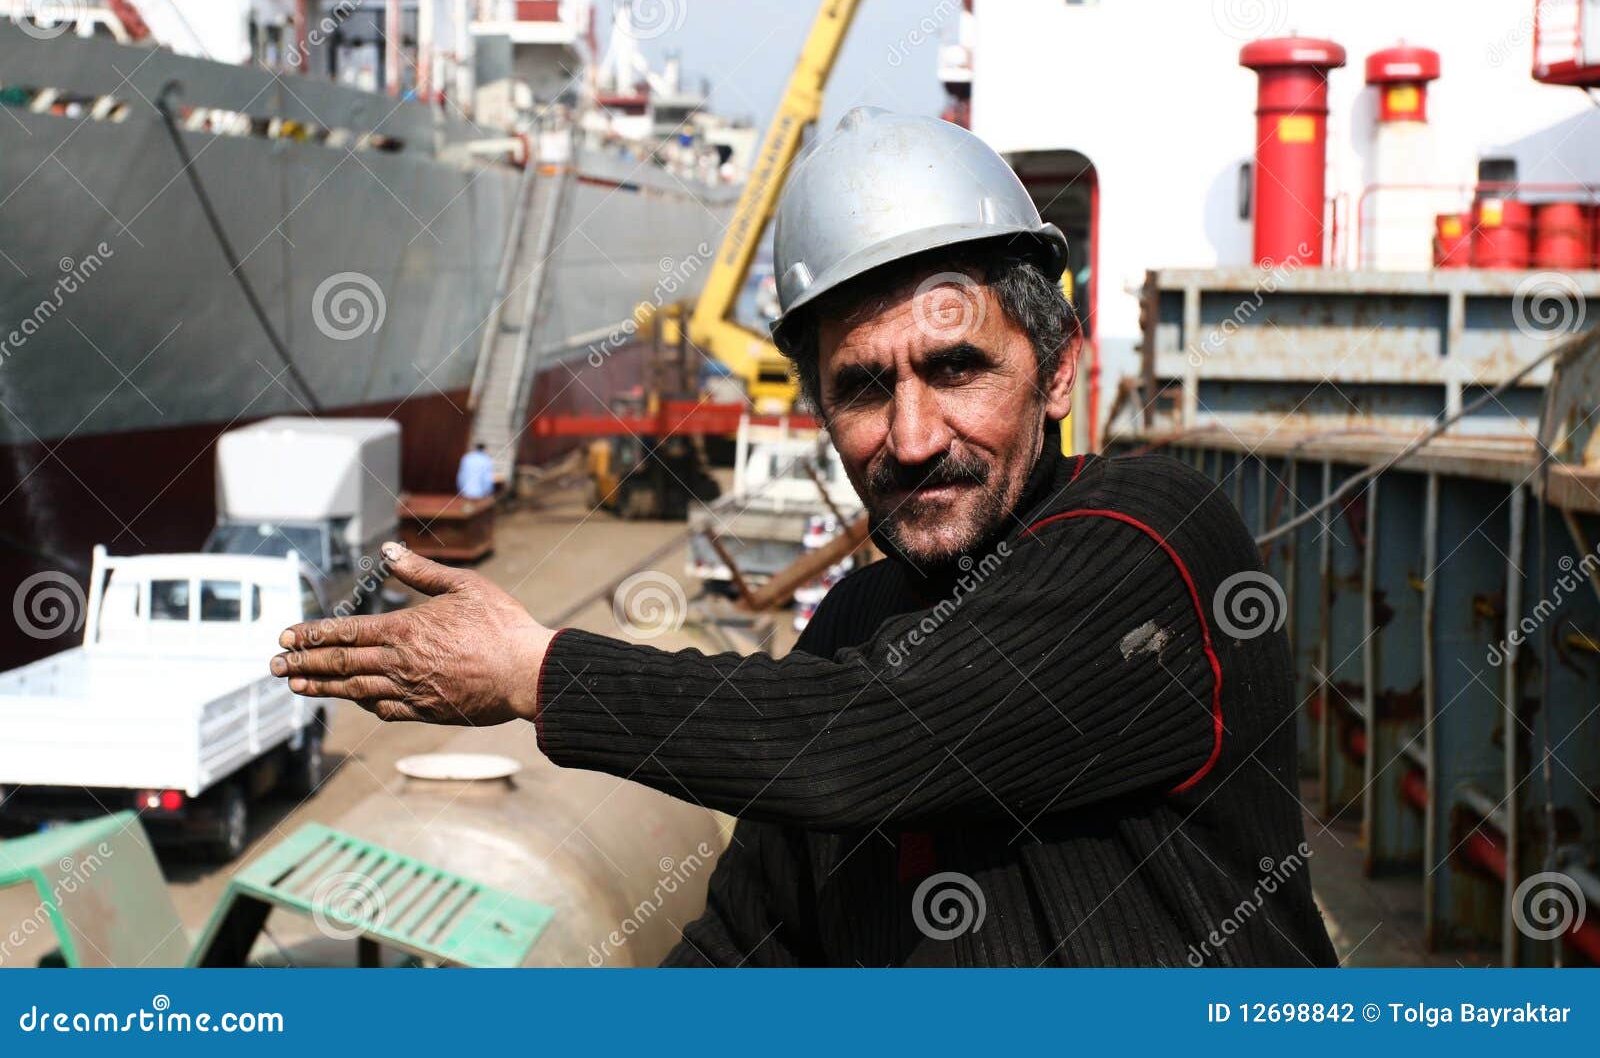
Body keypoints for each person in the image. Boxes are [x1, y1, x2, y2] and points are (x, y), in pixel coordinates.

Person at [273, 108, 1337, 968]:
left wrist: (538, 671)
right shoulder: (856, 622)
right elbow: (754, 941)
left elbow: (875, 741)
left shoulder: (1149, 539)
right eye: (863, 389)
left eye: (955, 368)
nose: (913, 438)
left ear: (1056, 369)